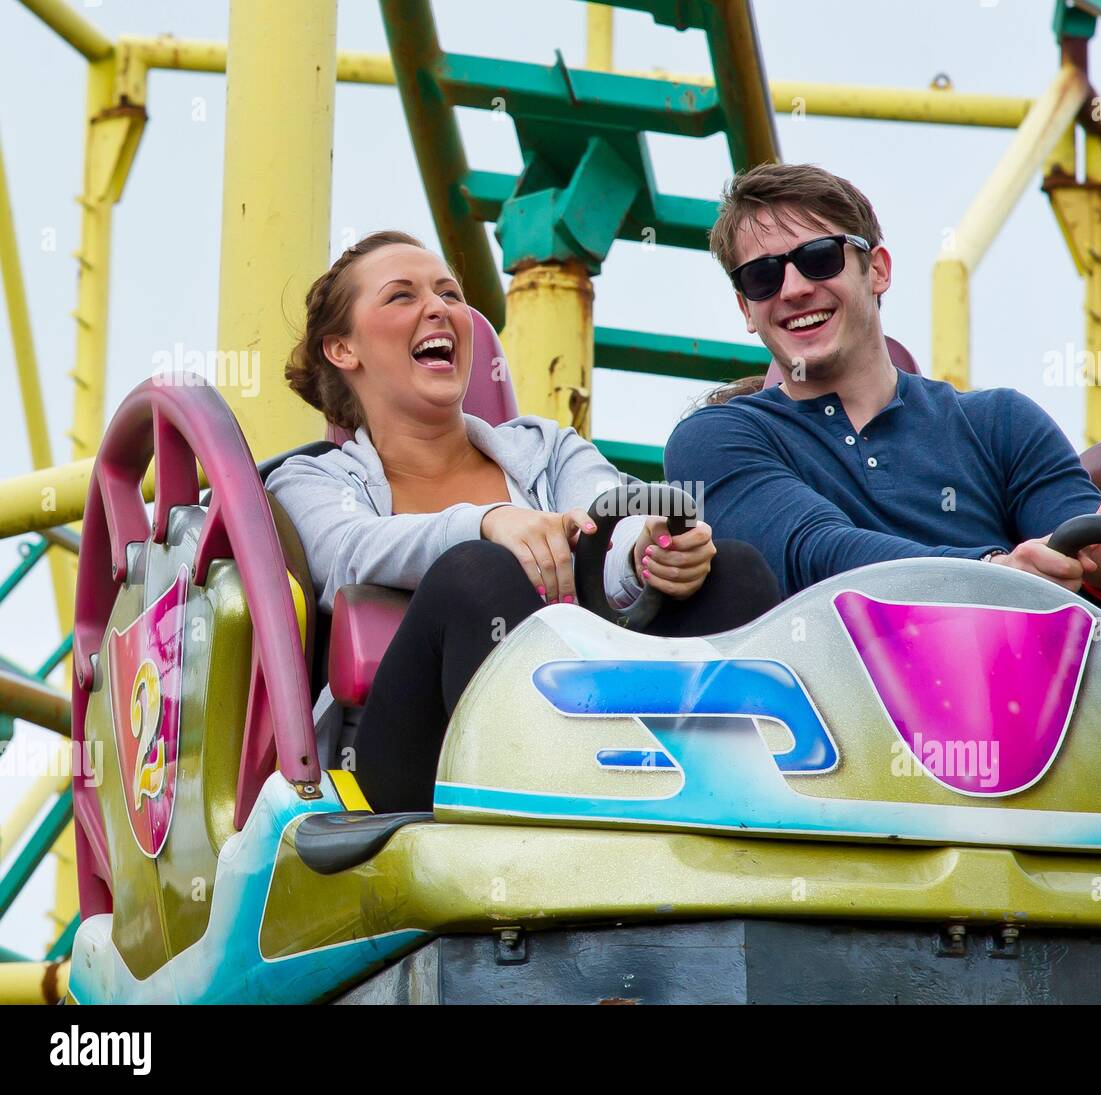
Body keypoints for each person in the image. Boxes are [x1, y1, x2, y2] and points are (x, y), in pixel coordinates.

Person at [663, 163, 1101, 669]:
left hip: (1063, 707)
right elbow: (812, 553)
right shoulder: (719, 439)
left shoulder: (1000, 422)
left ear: (876, 269)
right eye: (763, 275)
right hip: (845, 719)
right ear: (747, 308)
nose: (794, 287)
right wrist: (993, 578)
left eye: (821, 257)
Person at [267, 231, 780, 812]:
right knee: (476, 574)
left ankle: (737, 822)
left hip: (599, 727)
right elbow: (348, 553)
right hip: (411, 766)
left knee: (731, 568)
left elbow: (607, 516)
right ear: (343, 349)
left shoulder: (546, 449)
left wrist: (649, 551)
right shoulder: (312, 480)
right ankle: (544, 819)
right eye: (401, 297)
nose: (439, 308)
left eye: (450, 294)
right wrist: (488, 522)